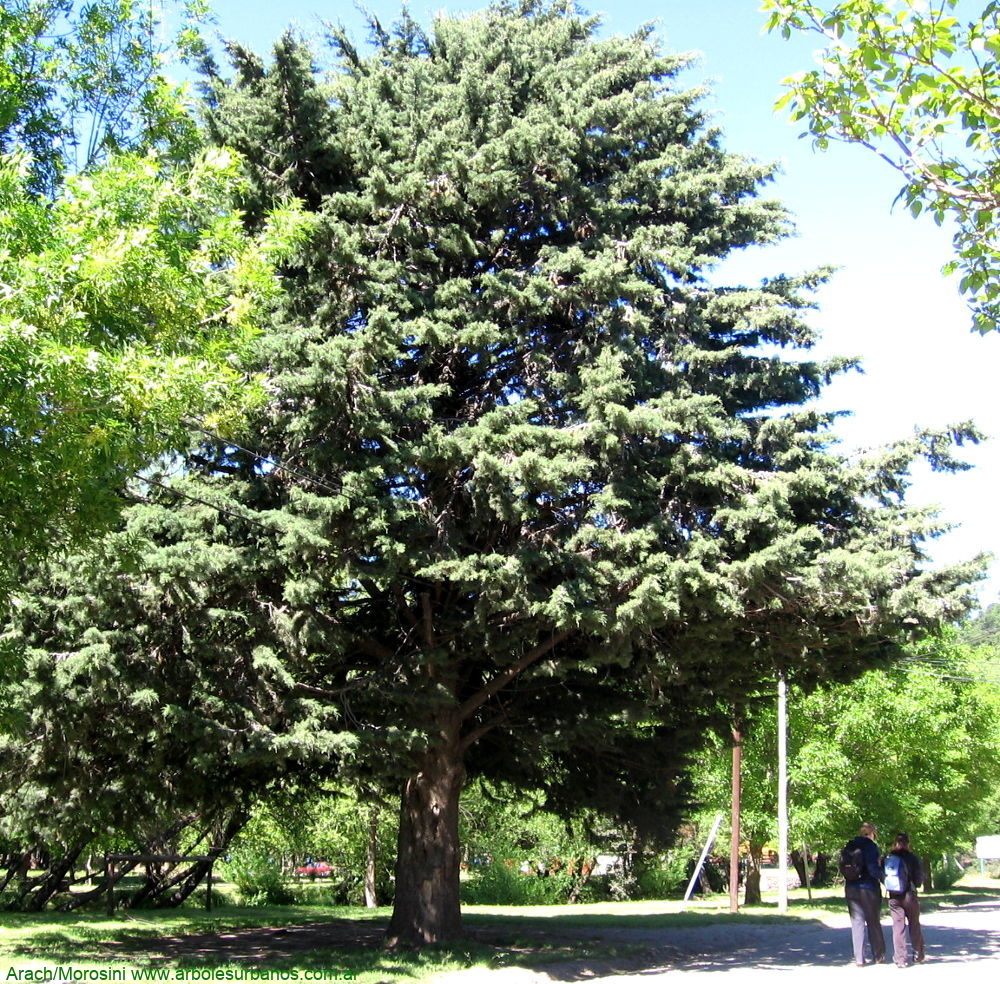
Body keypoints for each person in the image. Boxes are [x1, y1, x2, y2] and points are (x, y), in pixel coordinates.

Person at [843, 821, 887, 966]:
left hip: (851, 888)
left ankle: (859, 958)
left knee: (857, 922)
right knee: (873, 921)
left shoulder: (850, 846)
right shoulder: (871, 847)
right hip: (868, 888)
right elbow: (873, 868)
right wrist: (884, 878)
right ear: (872, 833)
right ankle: (878, 955)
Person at [885, 832, 926, 967]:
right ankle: (918, 954)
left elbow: (883, 876)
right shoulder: (912, 858)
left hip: (894, 897)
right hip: (909, 895)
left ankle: (900, 959)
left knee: (898, 927)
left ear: (895, 843)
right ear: (908, 843)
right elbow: (919, 880)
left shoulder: (890, 858)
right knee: (914, 924)